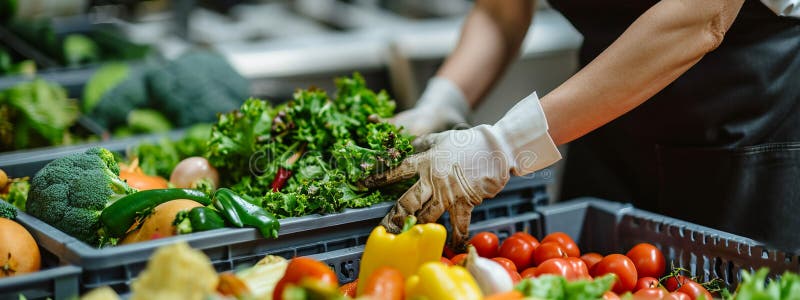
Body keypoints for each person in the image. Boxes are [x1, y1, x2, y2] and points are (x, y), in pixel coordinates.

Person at [378, 0, 800, 252]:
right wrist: (444, 99)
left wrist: (504, 145)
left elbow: (700, 17)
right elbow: (501, 11)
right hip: (601, 116)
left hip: (743, 124)